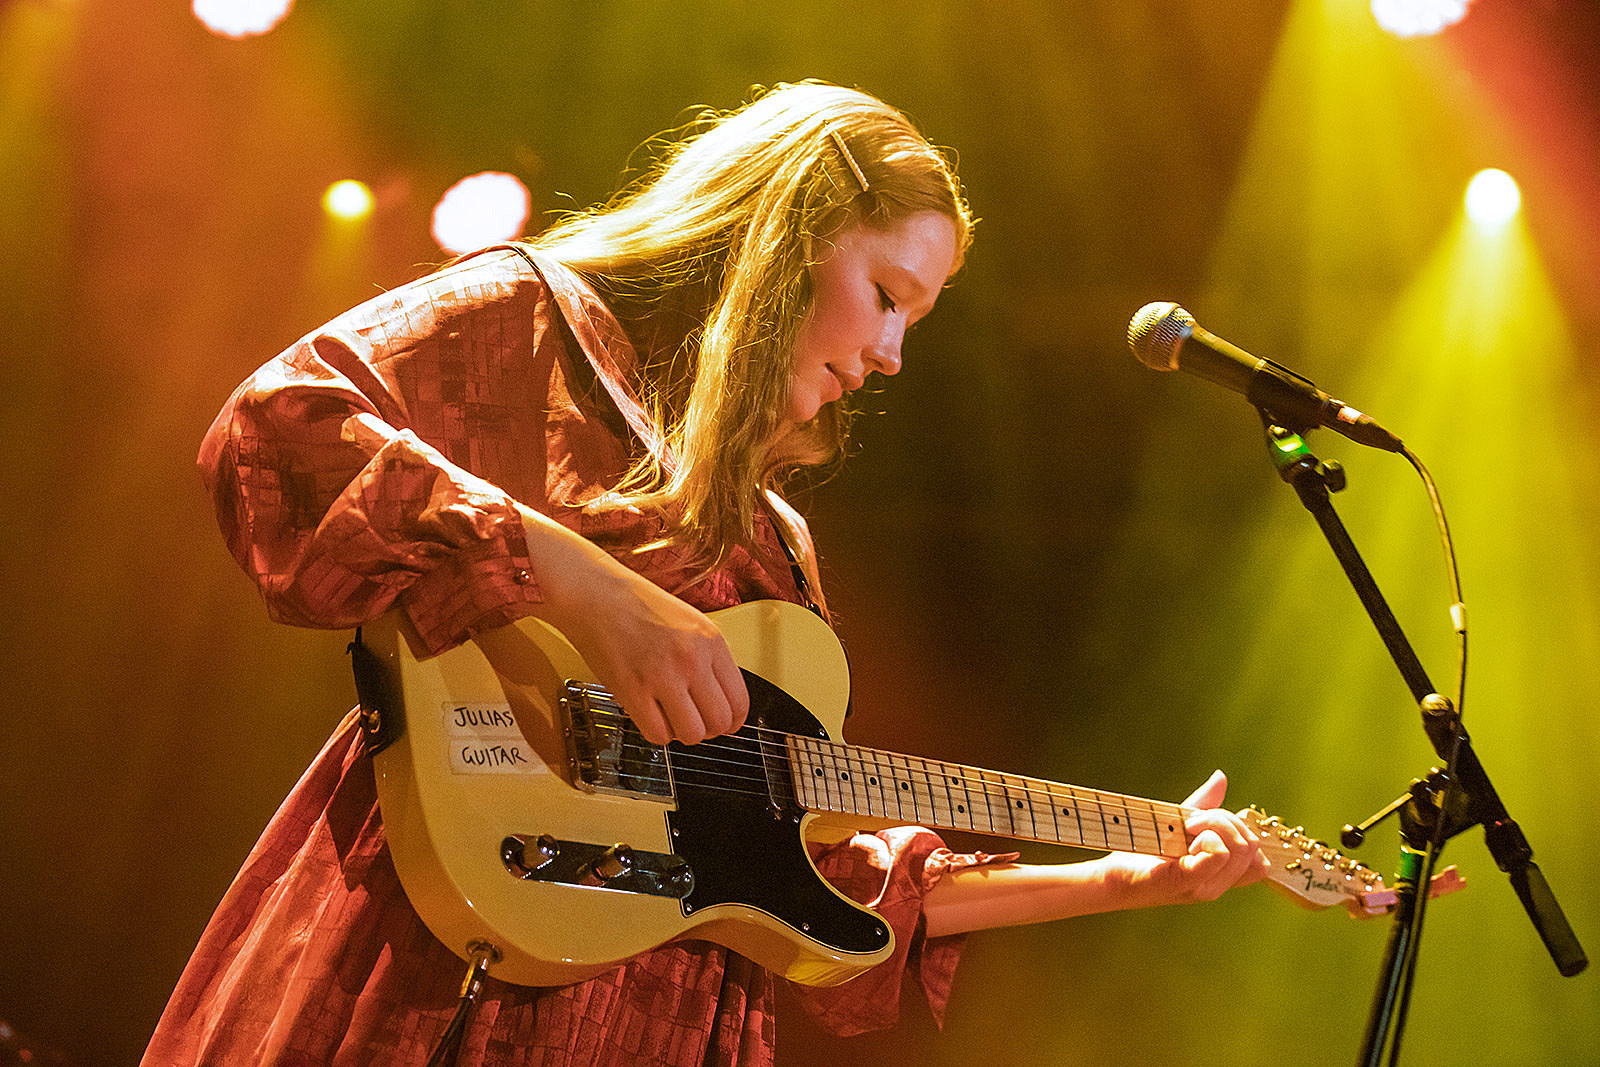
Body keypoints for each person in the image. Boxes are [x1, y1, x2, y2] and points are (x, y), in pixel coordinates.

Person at [144, 81, 1264, 1067]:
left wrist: (1123, 876)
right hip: (439, 969)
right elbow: (275, 431)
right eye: (887, 295)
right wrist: (582, 584)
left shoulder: (777, 543)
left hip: (667, 1021)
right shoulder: (537, 328)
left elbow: (808, 875)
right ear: (790, 231)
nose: (890, 356)